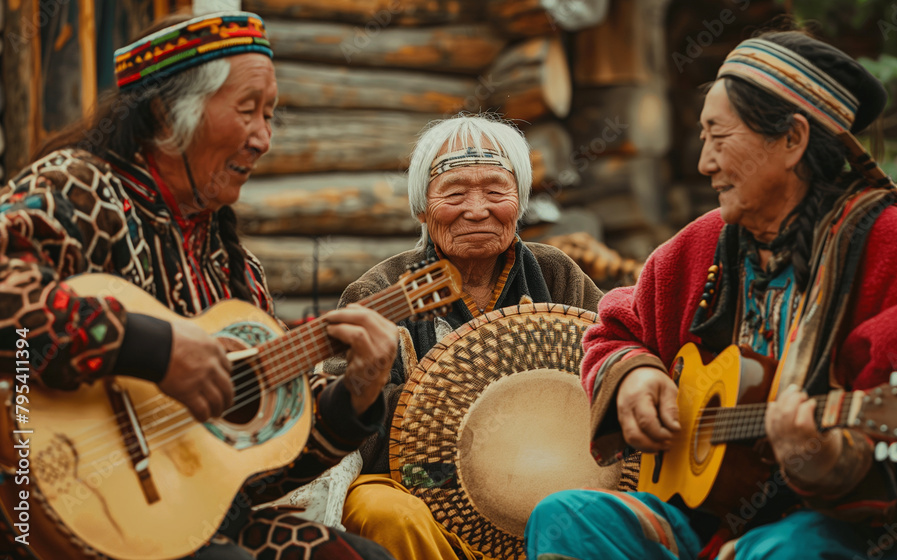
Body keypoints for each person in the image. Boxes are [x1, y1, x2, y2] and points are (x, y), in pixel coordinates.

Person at [524, 30, 897, 560]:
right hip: (700, 521)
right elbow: (615, 328)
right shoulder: (702, 245)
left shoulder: (896, 246)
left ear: (792, 140)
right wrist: (636, 373)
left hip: (836, 529)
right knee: (563, 519)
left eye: (719, 138)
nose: (704, 162)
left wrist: (826, 458)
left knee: (784, 549)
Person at [0, 11, 398, 560]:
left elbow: (248, 475)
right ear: (167, 113)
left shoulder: (235, 274)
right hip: (30, 508)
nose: (264, 137)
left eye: (271, 114)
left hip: (175, 529)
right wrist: (155, 349)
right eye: (248, 110)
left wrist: (349, 401)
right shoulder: (79, 188)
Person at [323, 113, 605, 560]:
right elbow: (340, 422)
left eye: (496, 191)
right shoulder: (379, 292)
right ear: (422, 207)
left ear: (520, 199)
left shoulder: (555, 274)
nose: (477, 209)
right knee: (380, 511)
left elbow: (612, 352)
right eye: (454, 193)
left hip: (551, 476)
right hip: (421, 490)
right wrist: (434, 411)